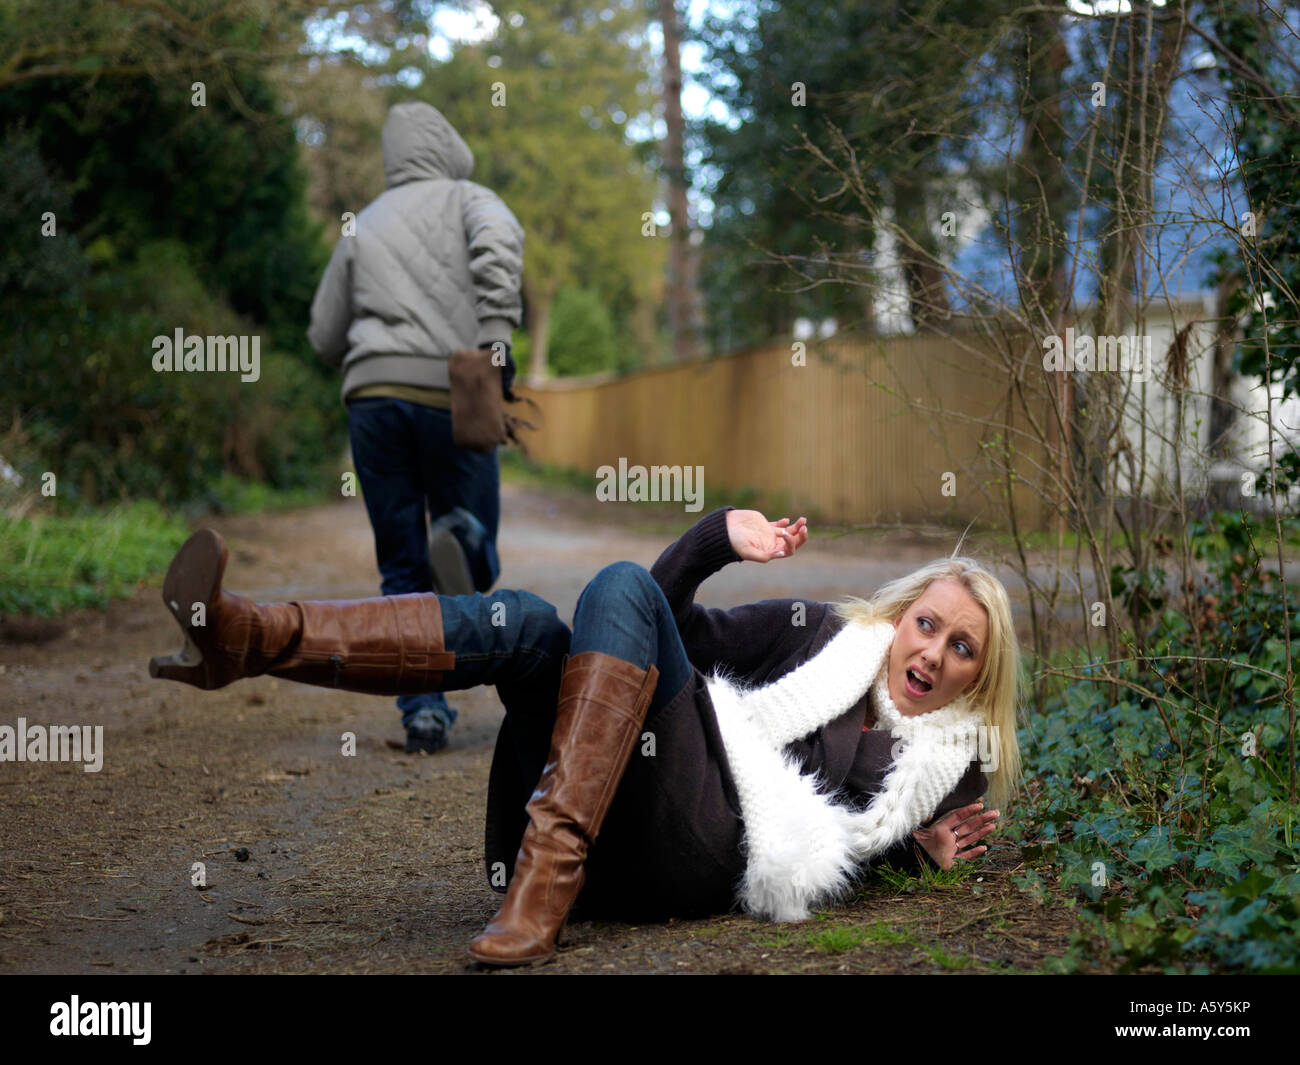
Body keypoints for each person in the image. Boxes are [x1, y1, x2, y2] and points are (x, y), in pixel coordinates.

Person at [149, 505, 1020, 967]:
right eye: (928, 624)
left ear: (980, 674)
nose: (933, 652)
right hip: (606, 814)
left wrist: (914, 856)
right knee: (526, 624)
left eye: (961, 647)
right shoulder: (818, 635)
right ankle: (250, 637)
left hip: (701, 847)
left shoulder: (949, 762)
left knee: (611, 587)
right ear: (901, 615)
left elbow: (865, 844)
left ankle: (546, 881)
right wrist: (715, 540)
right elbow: (677, 625)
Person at [306, 100, 524, 756]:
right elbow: (500, 246)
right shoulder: (469, 197)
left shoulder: (360, 224)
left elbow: (321, 333)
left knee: (401, 566)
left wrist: (372, 349)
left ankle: (423, 712)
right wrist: (493, 338)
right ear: (447, 145)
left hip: (372, 399)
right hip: (452, 388)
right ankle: (460, 533)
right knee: (472, 544)